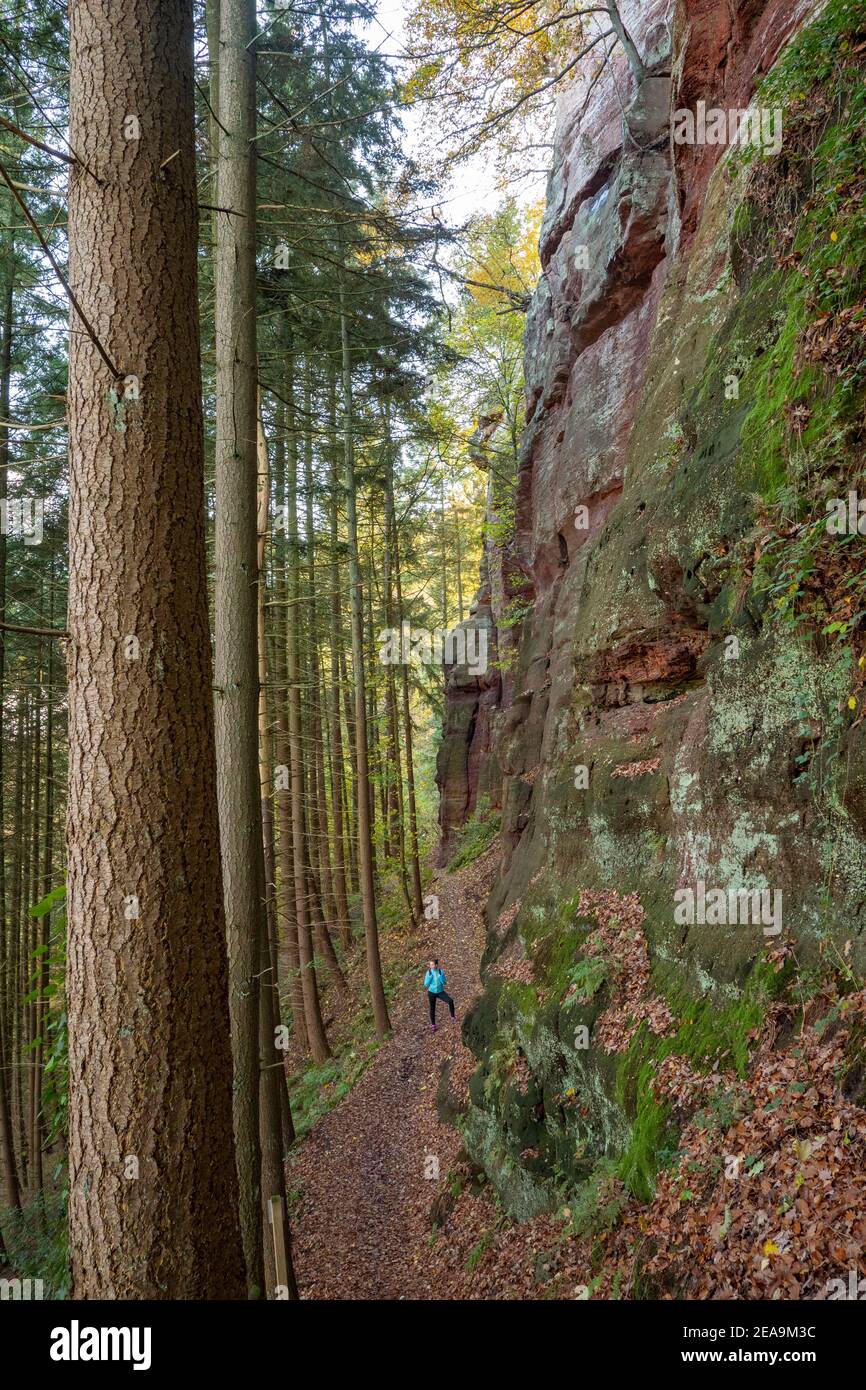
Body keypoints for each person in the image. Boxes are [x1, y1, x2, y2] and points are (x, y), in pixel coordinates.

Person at [424, 958, 456, 1031]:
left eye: (432, 964)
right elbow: (426, 984)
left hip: (440, 992)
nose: (431, 966)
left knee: (450, 1001)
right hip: (431, 993)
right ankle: (433, 1025)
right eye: (430, 964)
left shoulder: (440, 972)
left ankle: (453, 1017)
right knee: (432, 1008)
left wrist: (441, 977)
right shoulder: (428, 972)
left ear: (436, 965)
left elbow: (444, 983)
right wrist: (429, 978)